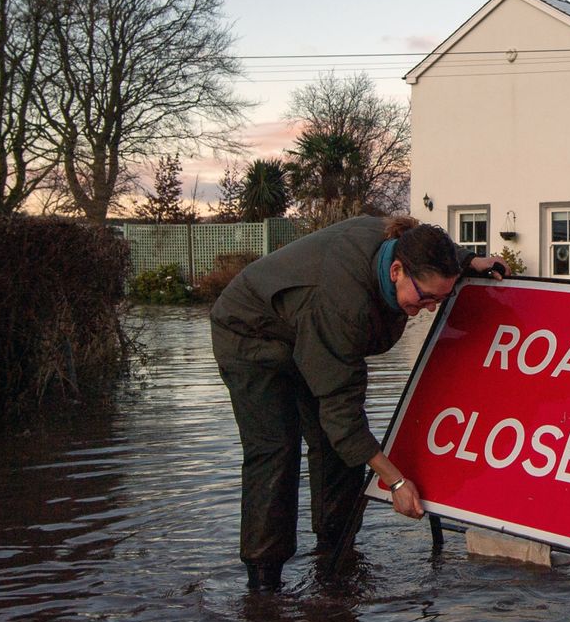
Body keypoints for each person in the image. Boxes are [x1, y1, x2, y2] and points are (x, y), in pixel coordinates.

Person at [211, 213, 505, 589]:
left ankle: (335, 554)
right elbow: (343, 416)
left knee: (337, 450)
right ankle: (264, 583)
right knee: (275, 450)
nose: (431, 307)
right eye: (426, 297)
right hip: (251, 334)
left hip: (307, 330)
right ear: (397, 270)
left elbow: (428, 243)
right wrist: (396, 482)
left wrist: (468, 261)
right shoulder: (344, 307)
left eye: (440, 298)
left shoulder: (402, 244)